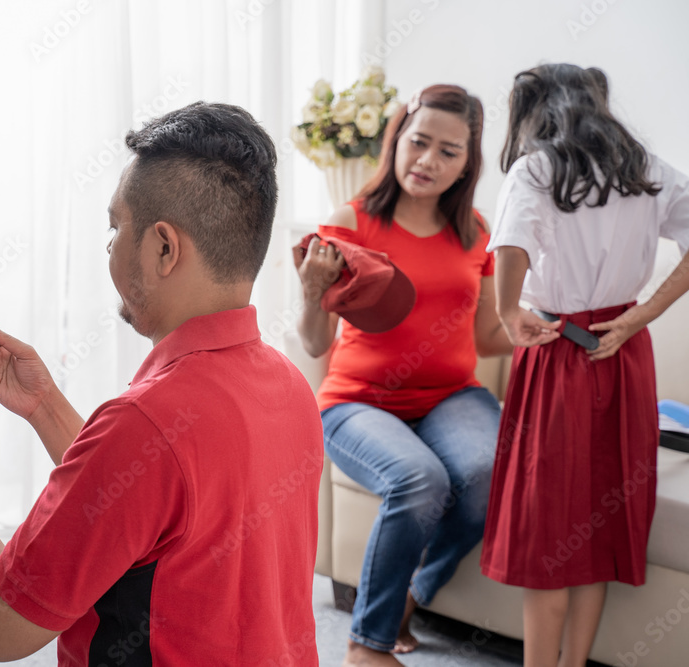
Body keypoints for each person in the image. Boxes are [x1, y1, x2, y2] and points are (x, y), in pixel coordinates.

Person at [0, 102, 325, 665]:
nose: (109, 246)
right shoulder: (289, 386)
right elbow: (142, 506)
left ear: (163, 247)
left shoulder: (146, 422)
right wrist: (44, 407)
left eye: (116, 227)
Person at [295, 84, 514, 667]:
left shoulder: (477, 232)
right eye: (419, 142)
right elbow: (315, 343)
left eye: (449, 151)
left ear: (467, 163)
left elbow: (489, 337)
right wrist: (312, 292)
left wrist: (540, 323)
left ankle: (412, 594)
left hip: (450, 396)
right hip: (356, 402)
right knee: (421, 479)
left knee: (490, 471)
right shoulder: (351, 222)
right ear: (396, 139)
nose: (428, 160)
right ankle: (366, 645)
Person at [480, 63, 689, 667]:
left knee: (550, 536)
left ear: (533, 111)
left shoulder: (536, 168)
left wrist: (509, 312)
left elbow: (511, 246)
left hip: (559, 353)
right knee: (595, 532)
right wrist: (642, 315)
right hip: (623, 353)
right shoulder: (643, 167)